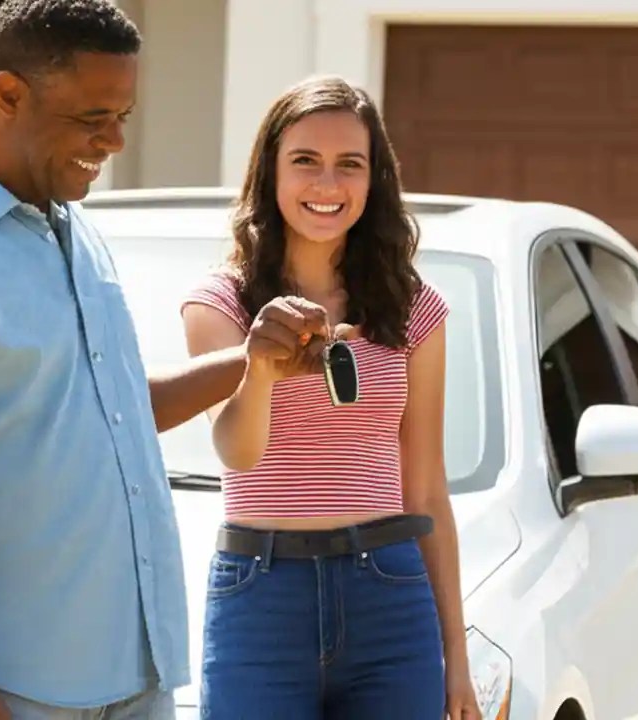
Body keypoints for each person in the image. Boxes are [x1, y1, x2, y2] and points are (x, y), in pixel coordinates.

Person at [0, 2, 332, 719]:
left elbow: (115, 408)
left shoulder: (73, 229)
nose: (116, 140)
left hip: (130, 672)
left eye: (124, 114)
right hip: (5, 685)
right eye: (94, 117)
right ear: (8, 94)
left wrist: (252, 364)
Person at [180, 75, 483, 719]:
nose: (328, 185)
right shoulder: (219, 303)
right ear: (271, 172)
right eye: (305, 162)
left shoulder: (414, 308)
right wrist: (260, 368)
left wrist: (456, 658)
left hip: (391, 596)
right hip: (260, 597)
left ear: (375, 182)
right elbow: (237, 452)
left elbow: (426, 489)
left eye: (350, 165)